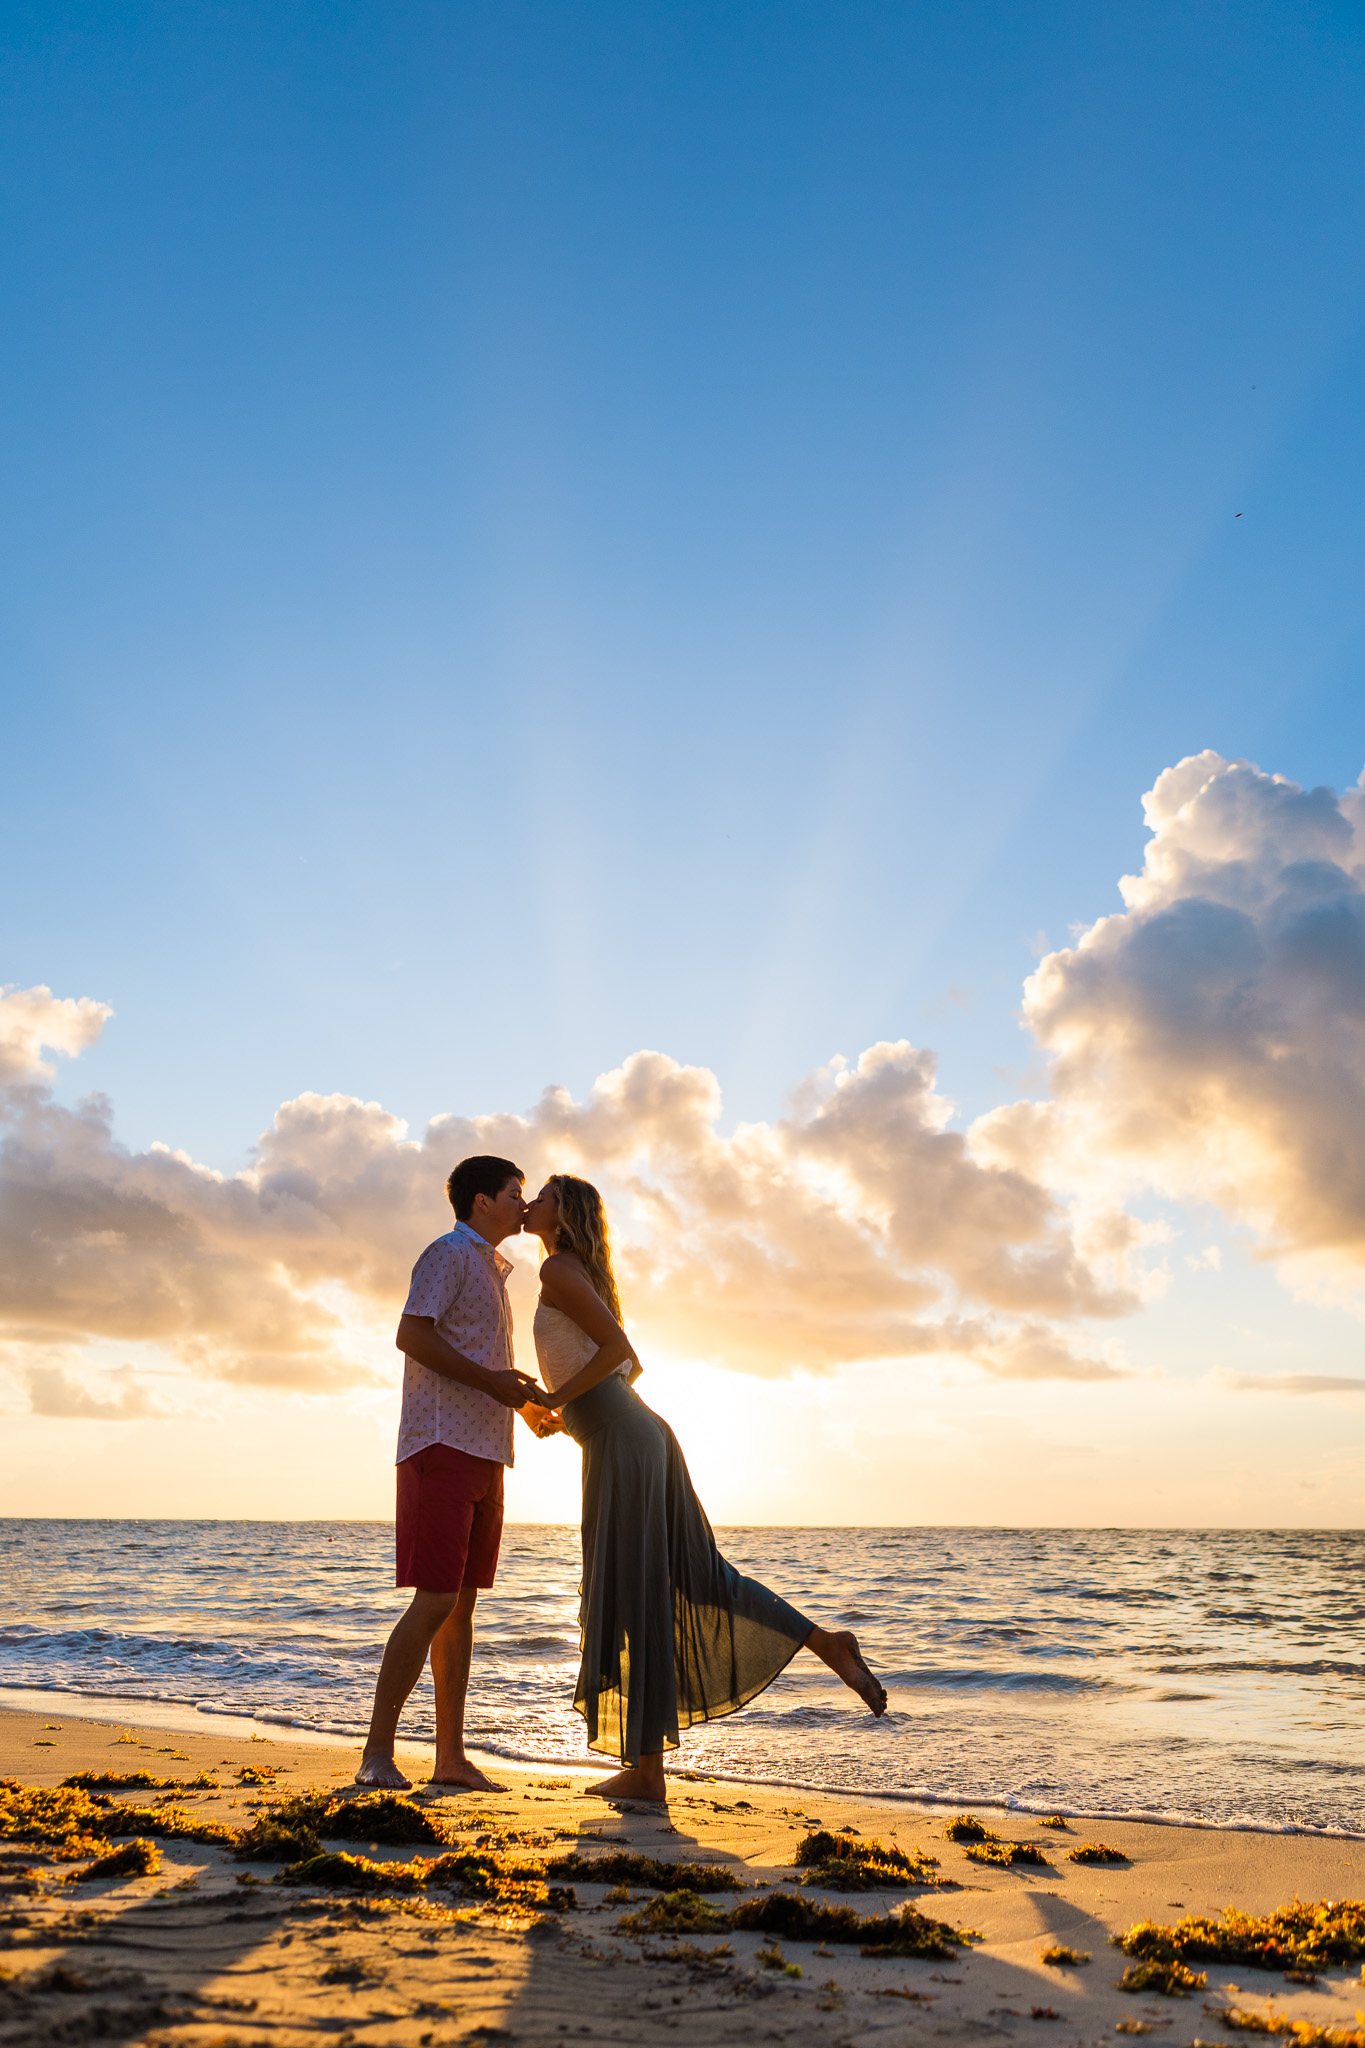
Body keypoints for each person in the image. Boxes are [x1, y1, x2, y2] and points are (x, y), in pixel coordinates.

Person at [524, 1172, 887, 1801]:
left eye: (542, 1198)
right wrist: (562, 1406)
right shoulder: (579, 1271)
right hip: (630, 1436)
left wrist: (558, 1398)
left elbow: (619, 1350)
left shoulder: (557, 1270)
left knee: (642, 1593)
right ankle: (823, 1642)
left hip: (624, 1440)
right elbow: (621, 1362)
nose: (530, 1204)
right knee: (693, 1577)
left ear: (563, 1214)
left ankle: (646, 1774)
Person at [356, 1154, 557, 1791]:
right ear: (480, 1202)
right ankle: (375, 1756)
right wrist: (494, 1383)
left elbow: (481, 1362)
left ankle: (449, 1759)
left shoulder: (494, 1270)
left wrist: (519, 1402)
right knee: (437, 1598)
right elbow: (411, 1335)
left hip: (485, 1452)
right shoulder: (447, 1252)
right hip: (438, 1444)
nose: (523, 1206)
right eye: (514, 1194)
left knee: (462, 1607)